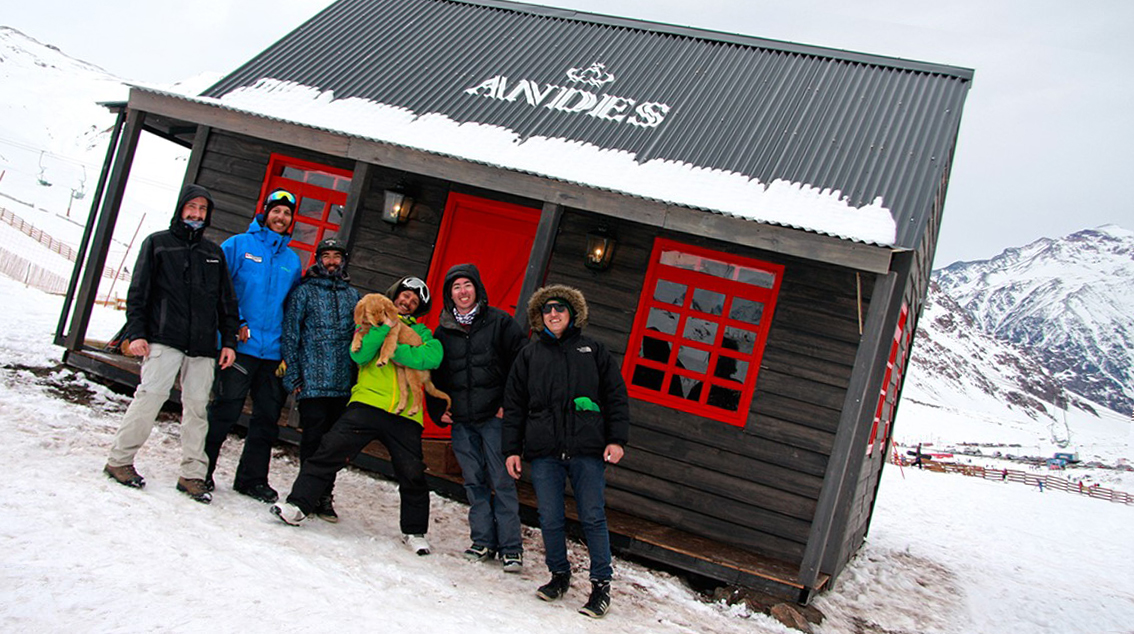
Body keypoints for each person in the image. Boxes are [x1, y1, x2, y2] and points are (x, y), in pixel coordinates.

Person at [271, 277, 442, 556]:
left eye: (414, 300)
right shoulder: (367, 324)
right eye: (405, 296)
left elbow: (432, 357)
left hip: (406, 413)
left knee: (412, 473)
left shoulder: (423, 332)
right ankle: (298, 505)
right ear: (394, 297)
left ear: (418, 308)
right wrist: (385, 328)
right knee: (328, 451)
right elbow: (360, 356)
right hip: (367, 402)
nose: (407, 302)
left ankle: (414, 532)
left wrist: (394, 349)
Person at [104, 184, 240, 504]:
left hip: (204, 346)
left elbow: (226, 303)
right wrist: (136, 333)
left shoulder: (214, 254)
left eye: (202, 210)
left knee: (197, 409)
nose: (196, 214)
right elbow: (139, 294)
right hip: (164, 339)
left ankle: (193, 474)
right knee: (149, 398)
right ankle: (120, 461)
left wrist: (229, 341)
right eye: (191, 207)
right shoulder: (158, 244)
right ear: (181, 209)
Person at [503, 284, 630, 619]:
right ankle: (559, 575)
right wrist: (511, 450)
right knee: (550, 518)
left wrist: (616, 440)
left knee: (592, 517)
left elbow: (616, 397)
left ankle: (601, 584)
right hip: (545, 453)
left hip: (587, 451)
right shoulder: (529, 355)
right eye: (547, 310)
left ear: (572, 314)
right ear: (539, 316)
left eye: (560, 309)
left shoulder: (593, 350)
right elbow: (514, 406)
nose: (554, 314)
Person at [204, 188, 302, 503]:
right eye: (277, 211)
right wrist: (237, 324)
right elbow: (220, 290)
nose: (281, 217)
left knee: (266, 419)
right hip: (238, 348)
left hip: (273, 353)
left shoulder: (292, 260)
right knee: (224, 410)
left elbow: (291, 307)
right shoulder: (238, 246)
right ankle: (200, 470)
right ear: (265, 212)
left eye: (287, 214)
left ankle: (251, 479)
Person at [432, 263, 527, 571]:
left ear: (477, 288)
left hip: (494, 418)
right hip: (462, 421)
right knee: (474, 481)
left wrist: (506, 405)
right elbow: (433, 374)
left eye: (467, 285)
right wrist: (438, 408)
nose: (462, 291)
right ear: (450, 294)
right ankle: (483, 540)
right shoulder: (443, 330)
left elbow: (521, 365)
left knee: (501, 480)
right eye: (456, 287)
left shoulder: (499, 322)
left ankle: (511, 548)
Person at [279, 238, 361, 522]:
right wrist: (293, 376)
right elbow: (291, 335)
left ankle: (325, 495)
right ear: (318, 259)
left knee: (333, 444)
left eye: (336, 256)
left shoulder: (354, 296)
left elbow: (361, 338)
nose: (331, 261)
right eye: (326, 256)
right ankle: (306, 496)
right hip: (312, 381)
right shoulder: (304, 293)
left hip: (342, 384)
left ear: (343, 261)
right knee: (313, 441)